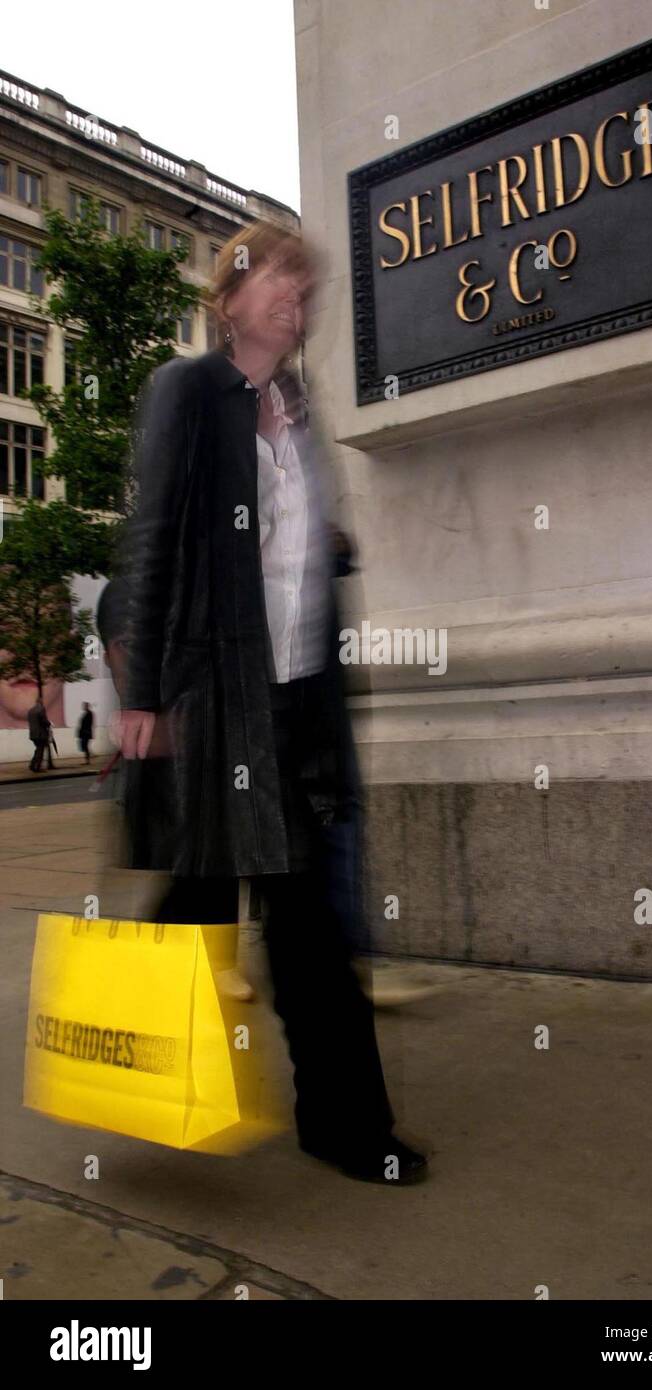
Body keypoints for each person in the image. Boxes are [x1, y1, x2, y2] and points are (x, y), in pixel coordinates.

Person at [115, 221, 427, 1185]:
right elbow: (155, 537)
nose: (296, 293)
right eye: (276, 276)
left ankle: (344, 1124)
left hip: (295, 709)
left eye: (306, 280)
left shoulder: (298, 409)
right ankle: (126, 1068)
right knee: (198, 914)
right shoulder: (191, 392)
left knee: (306, 932)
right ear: (230, 297)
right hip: (218, 709)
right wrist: (149, 694)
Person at [27, 697, 51, 772]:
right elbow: (44, 720)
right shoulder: (41, 709)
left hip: (33, 734)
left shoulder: (30, 710)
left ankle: (32, 765)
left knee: (38, 749)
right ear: (41, 702)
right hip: (41, 734)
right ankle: (37, 767)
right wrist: (49, 723)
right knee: (40, 751)